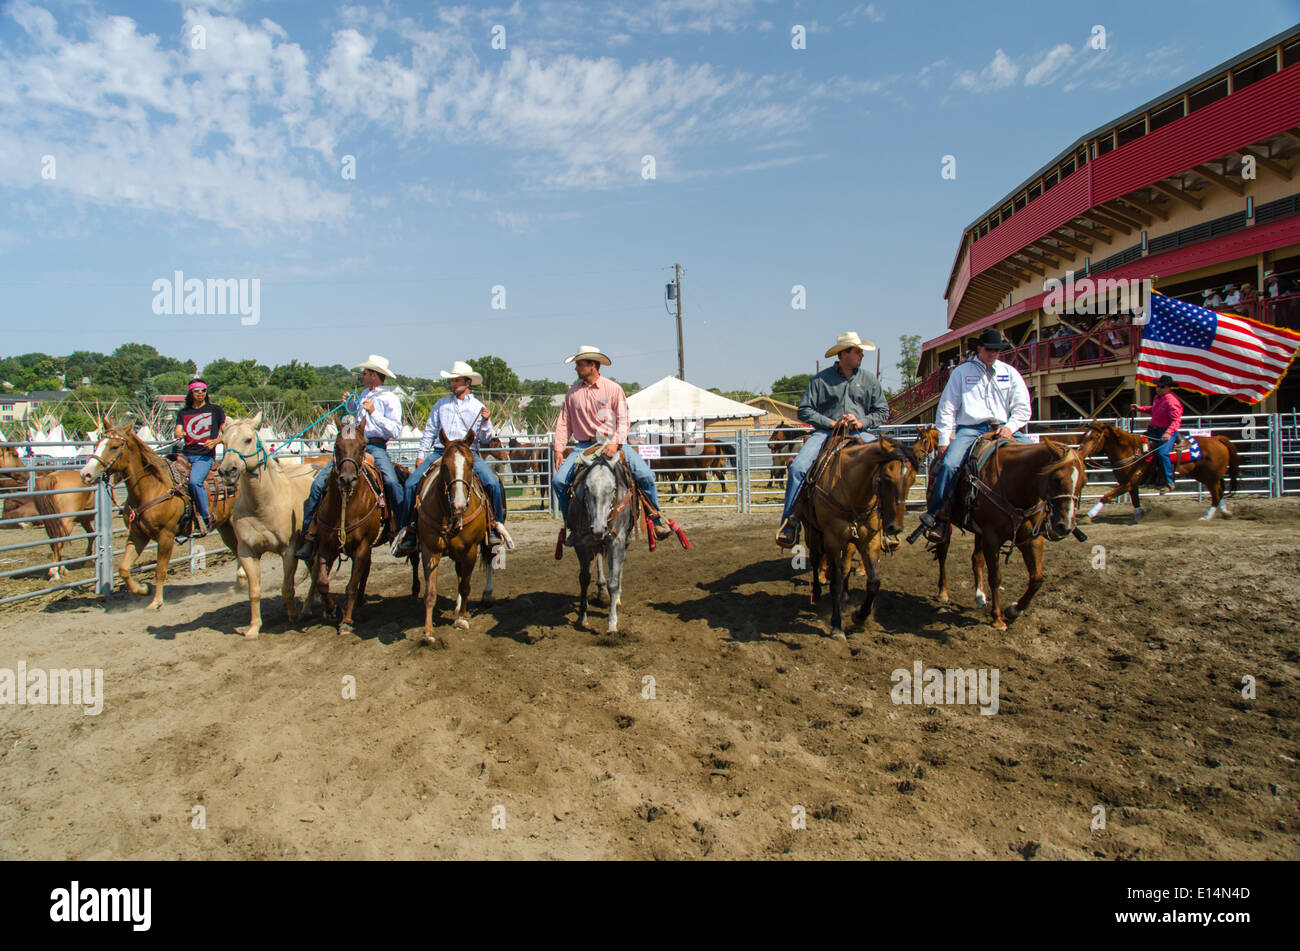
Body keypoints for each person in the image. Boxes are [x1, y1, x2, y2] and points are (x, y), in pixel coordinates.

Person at [550, 345, 677, 544]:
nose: (576, 368)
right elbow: (564, 422)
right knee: (558, 481)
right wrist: (559, 448)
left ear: (592, 365)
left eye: (579, 364)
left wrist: (616, 442)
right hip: (583, 447)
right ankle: (572, 526)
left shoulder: (613, 388)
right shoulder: (572, 394)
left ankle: (657, 519)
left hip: (612, 442)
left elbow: (624, 418)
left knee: (646, 475)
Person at [774, 331, 888, 548]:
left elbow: (882, 411)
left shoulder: (869, 380)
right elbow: (804, 411)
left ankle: (885, 524)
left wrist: (861, 421)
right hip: (827, 433)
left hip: (858, 432)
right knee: (798, 468)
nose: (861, 356)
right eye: (858, 351)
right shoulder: (821, 380)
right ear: (844, 354)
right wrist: (831, 423)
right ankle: (790, 523)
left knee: (886, 465)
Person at [917, 327, 1032, 542]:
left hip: (1004, 428)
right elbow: (947, 408)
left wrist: (1010, 427)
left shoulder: (1010, 373)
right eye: (989, 349)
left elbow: (1023, 408)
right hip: (971, 429)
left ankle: (1044, 515)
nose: (993, 354)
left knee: (1037, 456)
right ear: (979, 348)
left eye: (997, 350)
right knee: (950, 464)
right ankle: (938, 516)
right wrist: (944, 439)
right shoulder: (961, 373)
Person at [393, 360, 511, 555]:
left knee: (493, 484)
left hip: (468, 453)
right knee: (411, 484)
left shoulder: (478, 407)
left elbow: (486, 438)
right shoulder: (441, 405)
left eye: (457, 380)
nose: (453, 384)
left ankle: (494, 526)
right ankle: (410, 530)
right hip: (441, 453)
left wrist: (486, 420)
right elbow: (430, 431)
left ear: (468, 382)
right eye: (452, 380)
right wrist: (421, 456)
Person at [296, 355, 404, 562]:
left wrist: (374, 414)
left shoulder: (391, 399)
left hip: (376, 446)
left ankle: (399, 529)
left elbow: (395, 430)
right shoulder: (363, 395)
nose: (362, 376)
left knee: (391, 481)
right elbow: (350, 426)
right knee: (319, 484)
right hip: (352, 447)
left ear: (374, 375)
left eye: (364, 373)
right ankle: (308, 536)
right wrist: (348, 408)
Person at [173, 378, 226, 537]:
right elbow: (177, 430)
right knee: (168, 477)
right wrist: (179, 433)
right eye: (197, 390)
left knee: (195, 481)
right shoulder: (183, 412)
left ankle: (205, 517)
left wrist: (215, 441)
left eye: (203, 390)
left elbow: (227, 433)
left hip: (204, 456)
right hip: (186, 454)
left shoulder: (215, 410)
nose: (201, 393)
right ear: (191, 392)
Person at [1131, 374, 1183, 493]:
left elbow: (1177, 420)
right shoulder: (1158, 398)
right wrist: (1140, 409)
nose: (1158, 388)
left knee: (1162, 453)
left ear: (1168, 388)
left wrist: (1169, 433)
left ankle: (1169, 482)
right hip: (1153, 430)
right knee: (1138, 446)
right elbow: (1153, 409)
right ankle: (1145, 477)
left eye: (1162, 386)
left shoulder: (1172, 402)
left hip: (1166, 432)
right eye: (1157, 386)